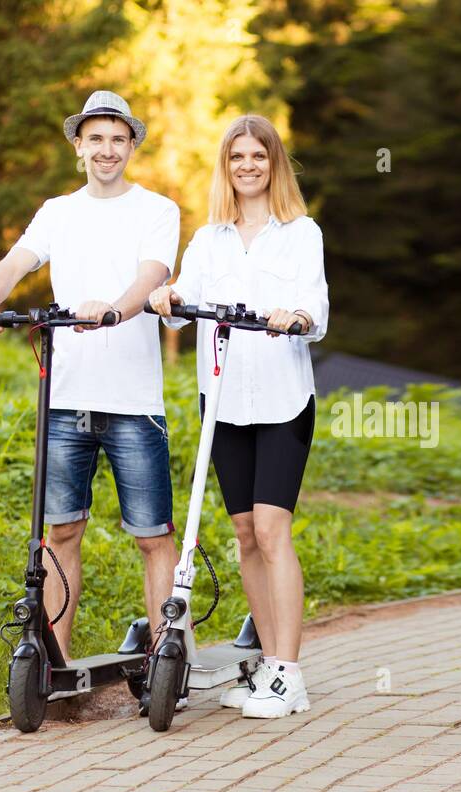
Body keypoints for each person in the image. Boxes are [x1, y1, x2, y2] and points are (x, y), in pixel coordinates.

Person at [0, 91, 184, 683]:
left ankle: (166, 658)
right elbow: (15, 262)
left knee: (150, 536)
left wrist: (111, 310)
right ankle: (52, 668)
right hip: (66, 399)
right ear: (78, 147)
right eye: (96, 139)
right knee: (60, 531)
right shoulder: (58, 211)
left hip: (133, 402)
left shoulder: (157, 209)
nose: (107, 150)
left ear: (131, 145)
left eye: (118, 139)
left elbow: (151, 277)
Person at [148, 114, 329, 719]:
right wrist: (165, 296)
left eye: (259, 156)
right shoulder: (209, 240)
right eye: (236, 158)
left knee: (274, 530)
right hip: (224, 404)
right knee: (246, 533)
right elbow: (178, 308)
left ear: (274, 163)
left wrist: (295, 318)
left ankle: (289, 673)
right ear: (225, 168)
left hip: (282, 401)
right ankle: (266, 670)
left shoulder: (301, 233)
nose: (248, 166)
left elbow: (316, 308)